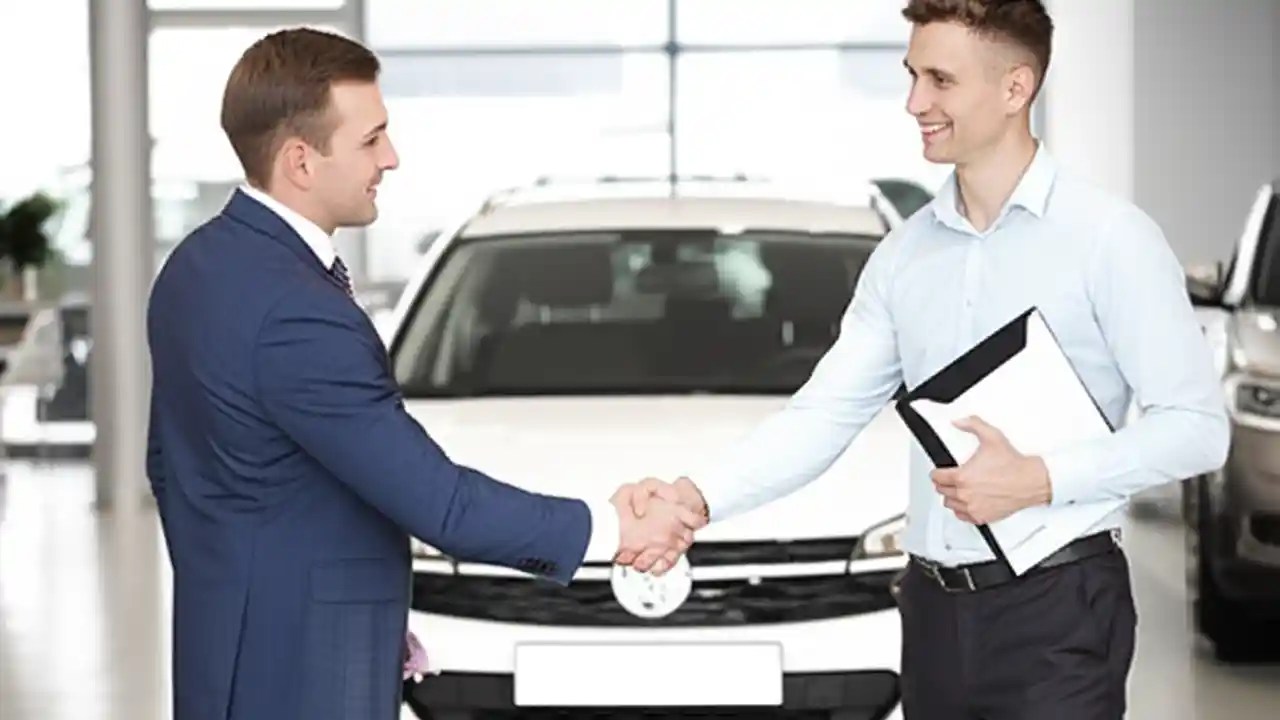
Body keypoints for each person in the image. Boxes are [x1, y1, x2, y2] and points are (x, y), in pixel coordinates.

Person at [624, 1, 1229, 717]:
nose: (915, 103)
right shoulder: (902, 257)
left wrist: (1038, 479)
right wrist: (696, 498)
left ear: (1015, 88)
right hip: (931, 611)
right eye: (912, 76)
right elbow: (823, 414)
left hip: (1058, 607)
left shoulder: (1110, 240)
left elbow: (1197, 427)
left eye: (940, 80)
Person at [145, 28, 697, 720]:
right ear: (300, 161)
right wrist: (614, 530)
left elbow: (175, 467)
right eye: (371, 140)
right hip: (302, 676)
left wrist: (334, 597)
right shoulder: (300, 312)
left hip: (224, 645)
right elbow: (443, 506)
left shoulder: (194, 270)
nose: (392, 158)